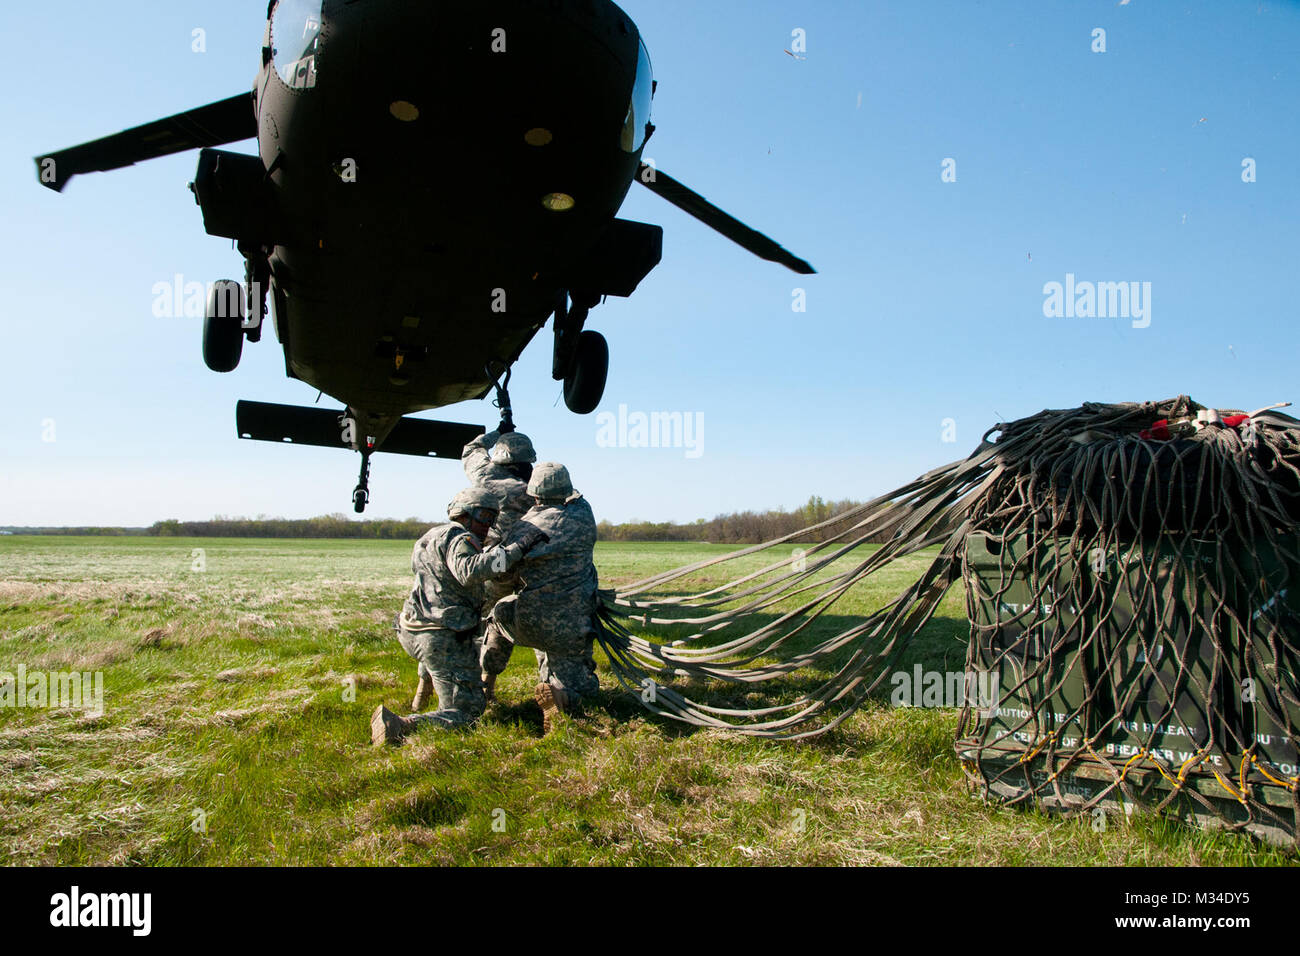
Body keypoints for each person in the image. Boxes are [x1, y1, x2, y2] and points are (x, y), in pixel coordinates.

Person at [371, 487, 545, 746]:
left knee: (442, 664)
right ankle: (401, 726)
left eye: (492, 519)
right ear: (463, 514)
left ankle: (424, 693)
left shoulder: (430, 536)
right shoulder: (460, 538)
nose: (488, 525)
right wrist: (516, 549)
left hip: (413, 629)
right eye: (484, 516)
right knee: (469, 711)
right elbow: (469, 570)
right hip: (440, 638)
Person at [490, 462, 600, 733]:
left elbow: (502, 577)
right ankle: (563, 696)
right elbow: (577, 500)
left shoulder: (524, 527)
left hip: (530, 621)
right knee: (585, 691)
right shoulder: (585, 516)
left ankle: (486, 684)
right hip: (574, 625)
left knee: (498, 615)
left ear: (534, 494)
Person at [461, 426, 537, 700]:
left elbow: (470, 449)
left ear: (500, 458)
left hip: (495, 566)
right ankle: (552, 685)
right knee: (532, 623)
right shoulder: (537, 486)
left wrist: (497, 431)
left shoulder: (484, 476)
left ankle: (481, 688)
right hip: (532, 566)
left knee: (489, 621)